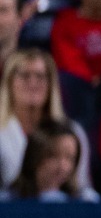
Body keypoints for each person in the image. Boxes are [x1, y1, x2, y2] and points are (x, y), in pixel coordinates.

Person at [0, 49, 95, 200]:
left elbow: (81, 186)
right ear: (9, 82)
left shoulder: (73, 132)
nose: (33, 83)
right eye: (25, 76)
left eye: (40, 76)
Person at [7, 124, 85, 201]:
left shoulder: (84, 201)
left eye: (70, 158)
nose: (62, 167)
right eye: (53, 156)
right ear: (34, 156)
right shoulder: (7, 200)